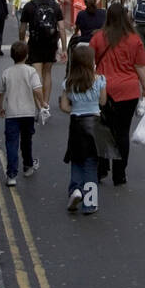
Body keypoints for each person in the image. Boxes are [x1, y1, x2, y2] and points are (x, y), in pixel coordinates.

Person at [89, 2, 145, 187]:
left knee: (102, 131)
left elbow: (89, 64)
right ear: (125, 18)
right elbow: (140, 67)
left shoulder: (98, 37)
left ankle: (101, 169)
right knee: (122, 133)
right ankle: (119, 174)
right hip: (128, 91)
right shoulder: (134, 39)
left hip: (103, 91)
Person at [59, 43, 119, 215]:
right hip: (95, 124)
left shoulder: (68, 83)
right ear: (91, 62)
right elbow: (102, 102)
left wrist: (76, 110)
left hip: (76, 124)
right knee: (91, 163)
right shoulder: (99, 80)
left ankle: (75, 191)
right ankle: (90, 203)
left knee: (76, 160)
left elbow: (64, 106)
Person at [0, 40, 43, 187]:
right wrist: (42, 103)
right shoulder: (31, 71)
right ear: (27, 55)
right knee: (26, 141)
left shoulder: (7, 72)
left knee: (12, 144)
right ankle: (28, 166)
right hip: (28, 113)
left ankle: (11, 175)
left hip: (12, 113)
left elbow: (0, 92)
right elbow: (37, 89)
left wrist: (0, 107)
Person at [20, 0, 65, 110]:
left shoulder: (29, 6)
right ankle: (46, 103)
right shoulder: (55, 6)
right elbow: (61, 28)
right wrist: (64, 48)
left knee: (36, 73)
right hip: (51, 43)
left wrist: (22, 43)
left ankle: (39, 105)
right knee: (47, 73)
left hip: (35, 43)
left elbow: (22, 28)